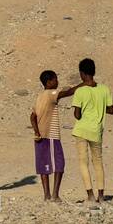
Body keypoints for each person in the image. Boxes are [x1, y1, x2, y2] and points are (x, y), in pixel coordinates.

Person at [30, 70, 79, 202]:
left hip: (40, 136)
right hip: (51, 136)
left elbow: (32, 116)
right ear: (49, 82)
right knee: (59, 164)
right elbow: (67, 93)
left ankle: (46, 195)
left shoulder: (39, 96)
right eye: (55, 79)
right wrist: (83, 84)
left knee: (43, 166)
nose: (57, 82)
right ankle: (55, 195)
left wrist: (36, 131)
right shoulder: (51, 93)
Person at [71, 58, 113, 204]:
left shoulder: (80, 91)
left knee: (83, 162)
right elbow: (111, 110)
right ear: (93, 71)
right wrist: (100, 107)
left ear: (82, 73)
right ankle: (101, 195)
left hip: (82, 130)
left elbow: (77, 114)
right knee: (98, 162)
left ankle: (90, 194)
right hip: (96, 131)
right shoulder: (104, 89)